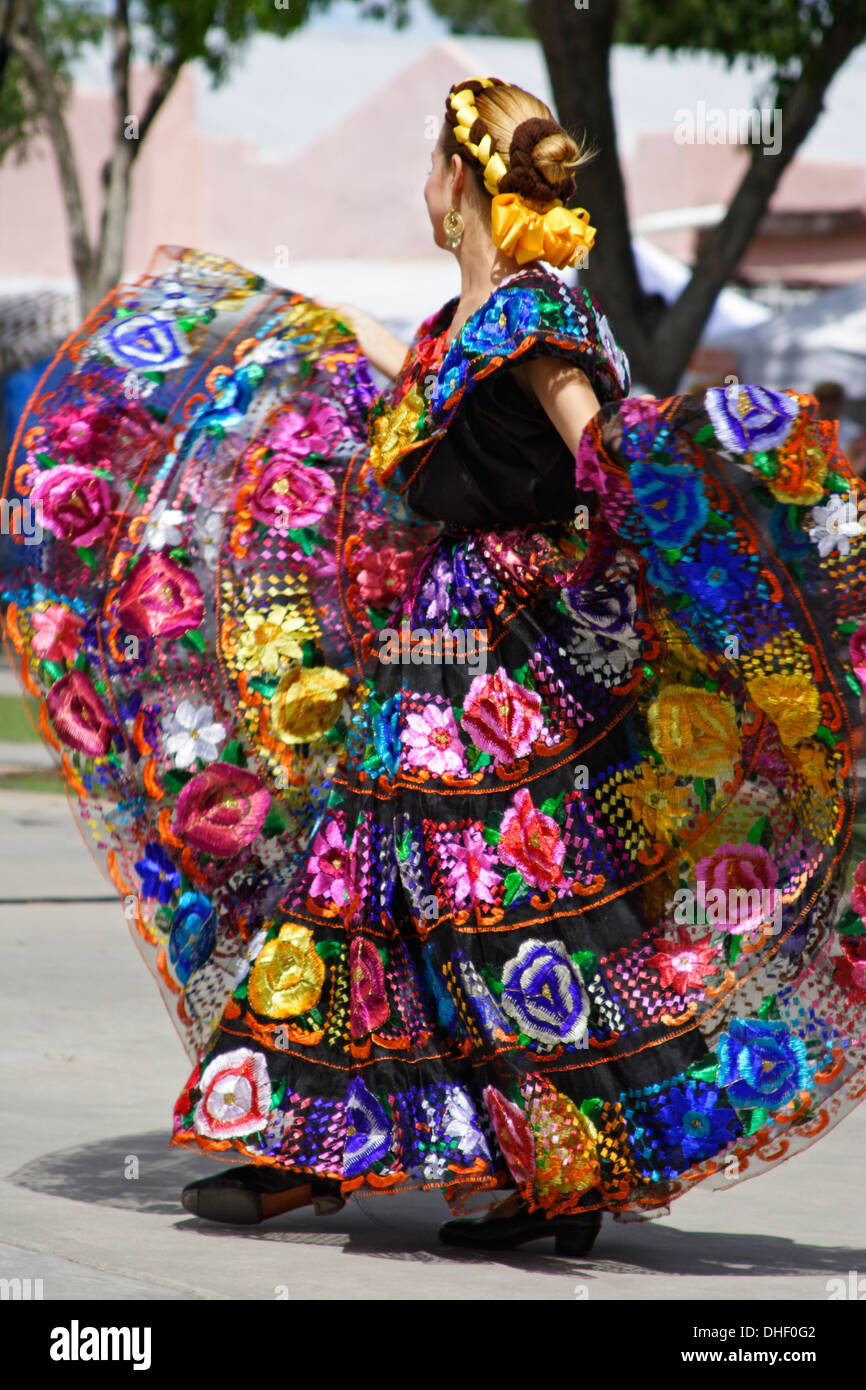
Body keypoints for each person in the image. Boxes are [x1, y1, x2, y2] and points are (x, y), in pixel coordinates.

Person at [3, 76, 866, 1260]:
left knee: (499, 909)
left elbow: (595, 449)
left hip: (507, 667)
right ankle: (310, 1142)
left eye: (430, 164)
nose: (423, 183)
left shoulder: (537, 321)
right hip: (431, 648)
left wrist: (692, 465)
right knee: (359, 880)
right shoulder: (450, 330)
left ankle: (556, 1169)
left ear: (458, 179)